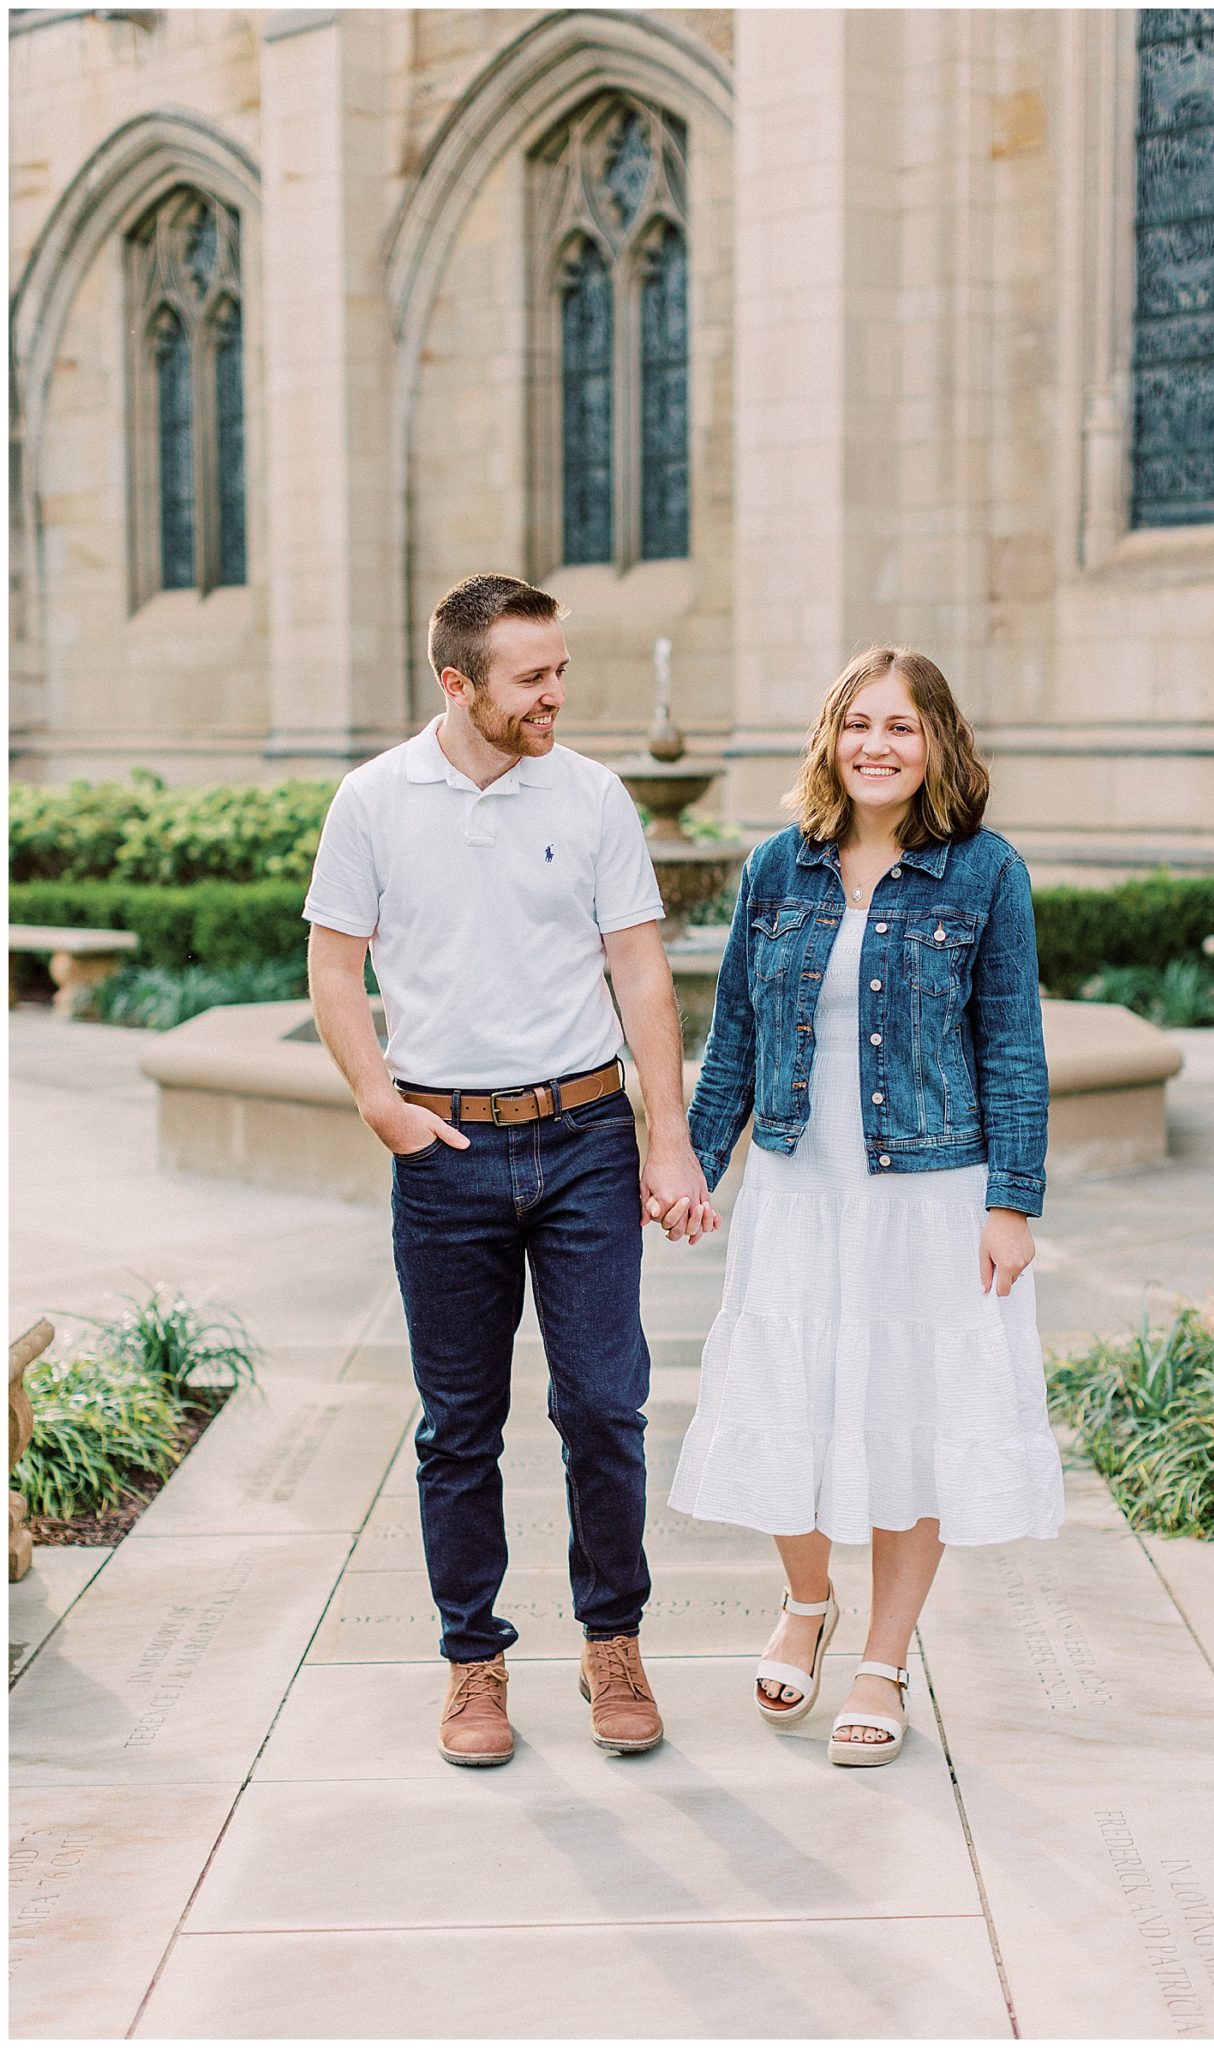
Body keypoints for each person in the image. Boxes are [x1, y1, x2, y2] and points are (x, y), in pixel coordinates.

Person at [305, 573, 716, 1768]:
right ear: (457, 682)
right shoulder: (373, 800)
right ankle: (472, 1662)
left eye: (560, 671)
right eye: (532, 677)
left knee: (604, 1403)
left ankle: (613, 1640)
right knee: (459, 1425)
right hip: (446, 1152)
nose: (556, 695)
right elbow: (336, 972)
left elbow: (640, 969)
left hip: (586, 1136)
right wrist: (383, 1106)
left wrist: (668, 1134)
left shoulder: (592, 795)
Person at [670, 645, 1064, 1766]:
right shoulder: (775, 869)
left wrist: (1012, 1200)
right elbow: (735, 1035)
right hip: (799, 1186)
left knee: (909, 1416)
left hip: (929, 1192)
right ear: (829, 739)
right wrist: (697, 1161)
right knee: (783, 1393)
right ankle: (806, 1600)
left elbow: (1014, 1046)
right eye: (857, 723)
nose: (875, 745)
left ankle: (884, 1657)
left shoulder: (985, 873)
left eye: (899, 725)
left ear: (937, 740)